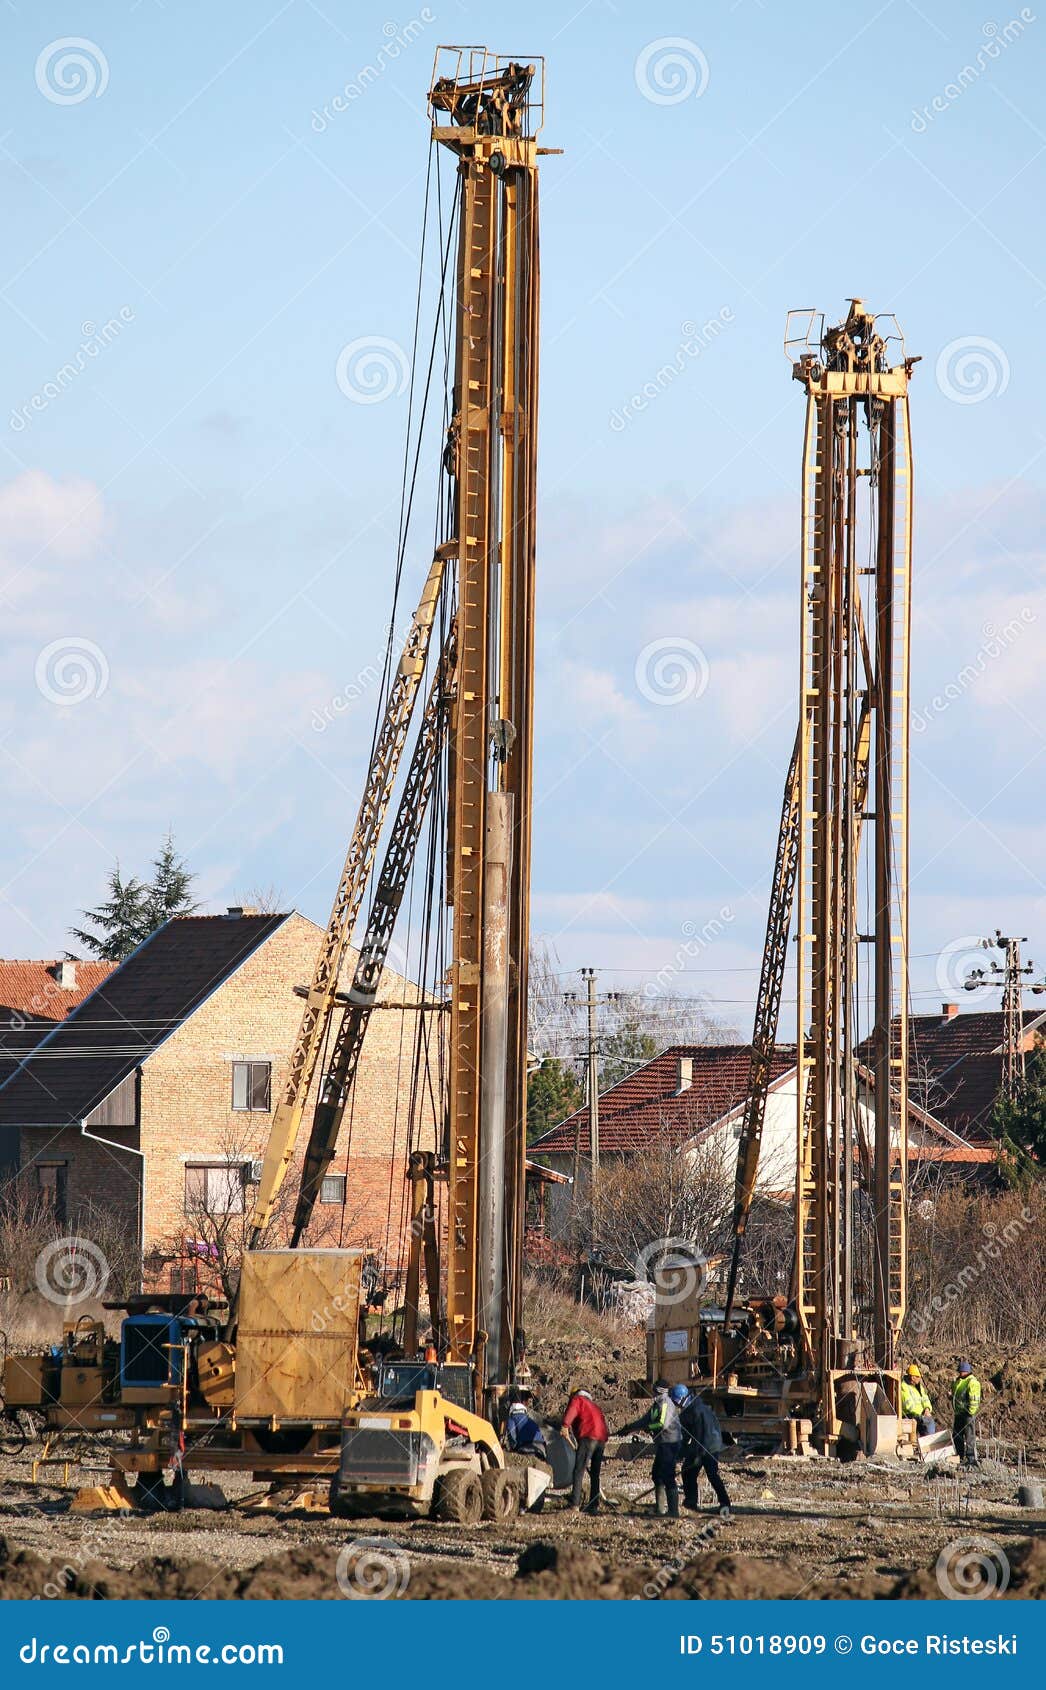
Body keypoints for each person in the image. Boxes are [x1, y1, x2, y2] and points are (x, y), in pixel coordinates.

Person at [618, 1378, 683, 1518]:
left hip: (670, 1443)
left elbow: (662, 1424)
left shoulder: (665, 1403)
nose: (652, 1391)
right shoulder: (657, 1404)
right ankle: (660, 1509)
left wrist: (647, 1428)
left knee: (668, 1476)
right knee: (657, 1474)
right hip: (662, 1443)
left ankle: (673, 1512)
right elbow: (645, 1420)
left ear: (658, 1390)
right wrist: (629, 1428)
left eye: (654, 1389)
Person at [675, 1384, 732, 1518]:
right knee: (688, 1471)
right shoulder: (689, 1410)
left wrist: (698, 1454)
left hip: (710, 1445)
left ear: (682, 1399)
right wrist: (679, 1454)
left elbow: (703, 1434)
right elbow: (685, 1436)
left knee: (711, 1474)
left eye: (676, 1402)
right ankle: (691, 1501)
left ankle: (725, 1504)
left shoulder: (697, 1410)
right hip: (703, 1444)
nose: (676, 1405)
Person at [561, 1386, 608, 1513]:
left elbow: (572, 1410)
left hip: (588, 1437)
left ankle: (574, 1504)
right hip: (601, 1440)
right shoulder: (594, 1406)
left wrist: (565, 1425)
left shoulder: (578, 1400)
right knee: (595, 1474)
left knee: (578, 1471)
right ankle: (593, 1505)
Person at [952, 1360, 981, 1468]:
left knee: (969, 1436)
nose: (959, 1374)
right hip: (959, 1413)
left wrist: (970, 1412)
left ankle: (971, 1458)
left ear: (966, 1371)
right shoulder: (959, 1381)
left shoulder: (972, 1382)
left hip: (967, 1414)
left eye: (961, 1372)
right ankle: (960, 1455)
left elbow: (974, 1399)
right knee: (957, 1435)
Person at [503, 1389, 547, 1460]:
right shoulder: (530, 1420)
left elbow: (511, 1433)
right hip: (542, 1449)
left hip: (527, 1448)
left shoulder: (512, 1418)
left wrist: (513, 1448)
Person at [900, 1363, 936, 1437]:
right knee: (929, 1422)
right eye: (918, 1377)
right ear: (913, 1377)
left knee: (928, 1420)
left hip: (919, 1414)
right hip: (909, 1415)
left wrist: (927, 1409)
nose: (920, 1378)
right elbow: (908, 1406)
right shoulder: (903, 1387)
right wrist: (922, 1414)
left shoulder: (918, 1387)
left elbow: (925, 1398)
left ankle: (924, 1441)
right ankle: (927, 1443)